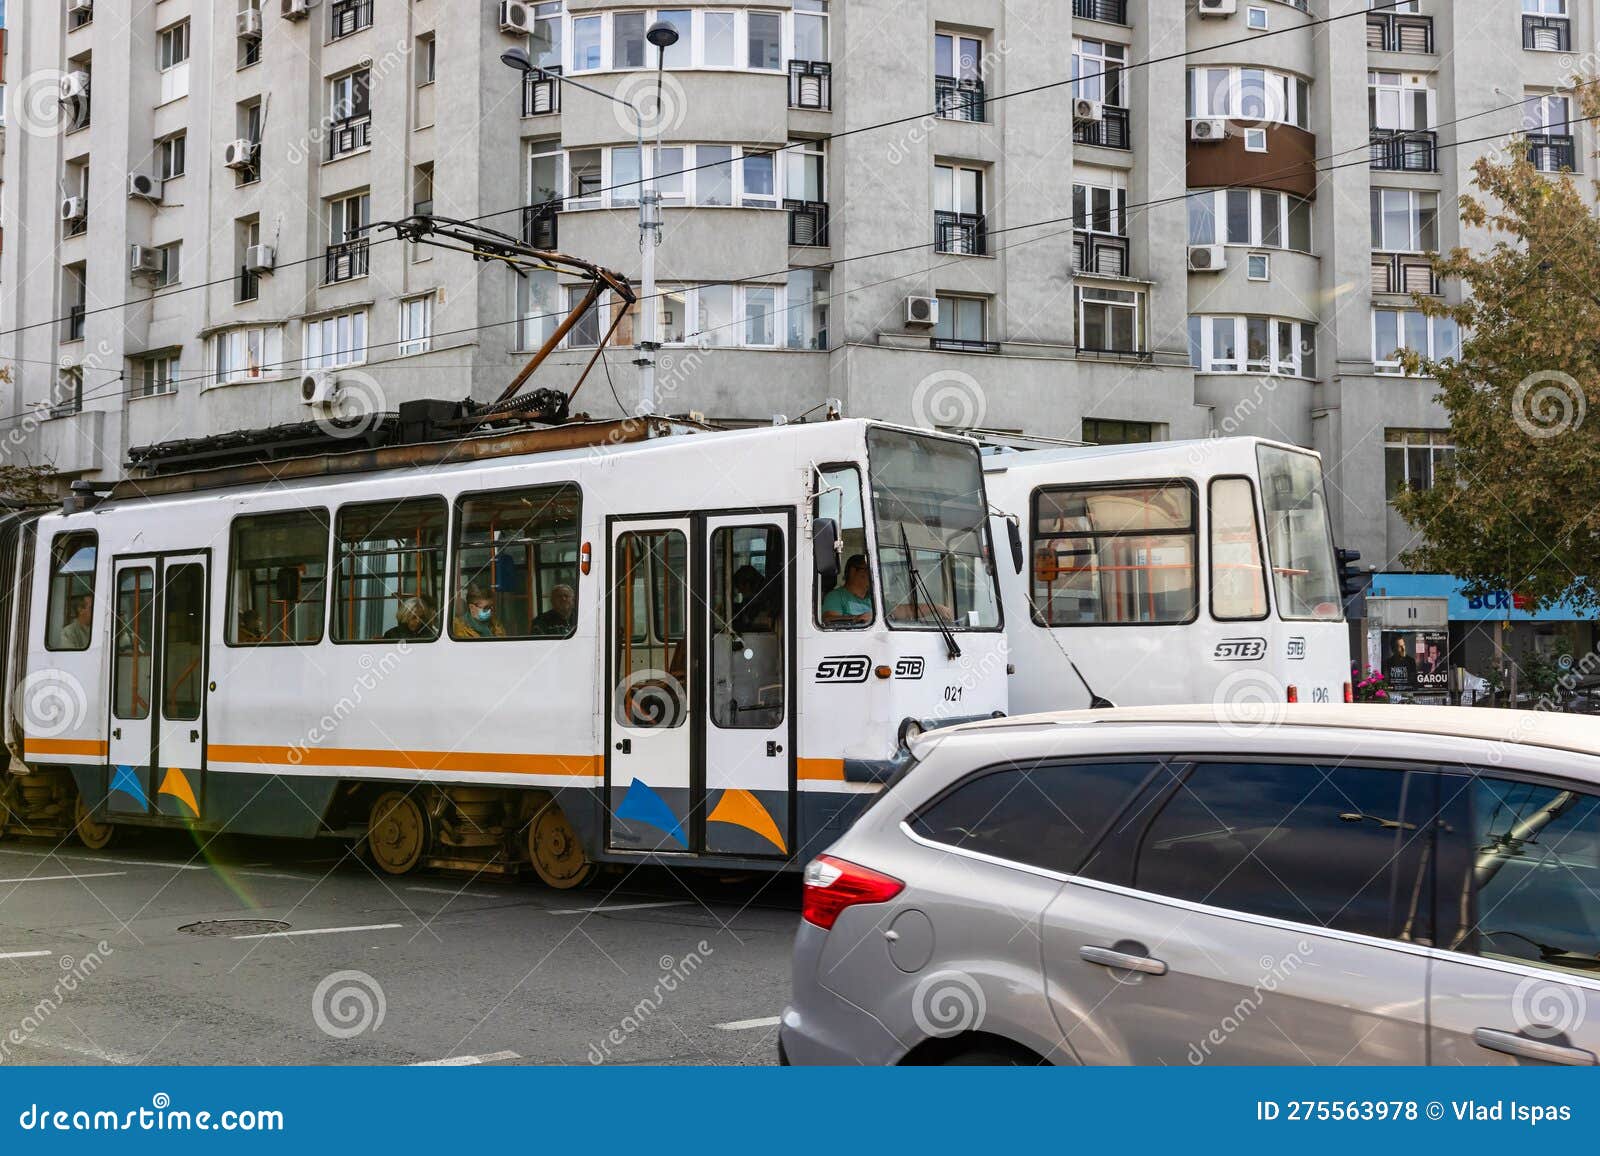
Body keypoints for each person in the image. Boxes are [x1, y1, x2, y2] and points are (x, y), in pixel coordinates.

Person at [821, 555, 874, 626]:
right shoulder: (836, 596)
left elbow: (891, 612)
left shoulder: (874, 598)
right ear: (853, 571)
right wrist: (857, 618)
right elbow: (828, 619)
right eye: (869, 570)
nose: (873, 575)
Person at [731, 566, 779, 633]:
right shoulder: (752, 597)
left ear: (747, 584)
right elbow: (744, 608)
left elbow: (758, 623)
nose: (739, 591)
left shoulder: (768, 599)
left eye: (739, 587)